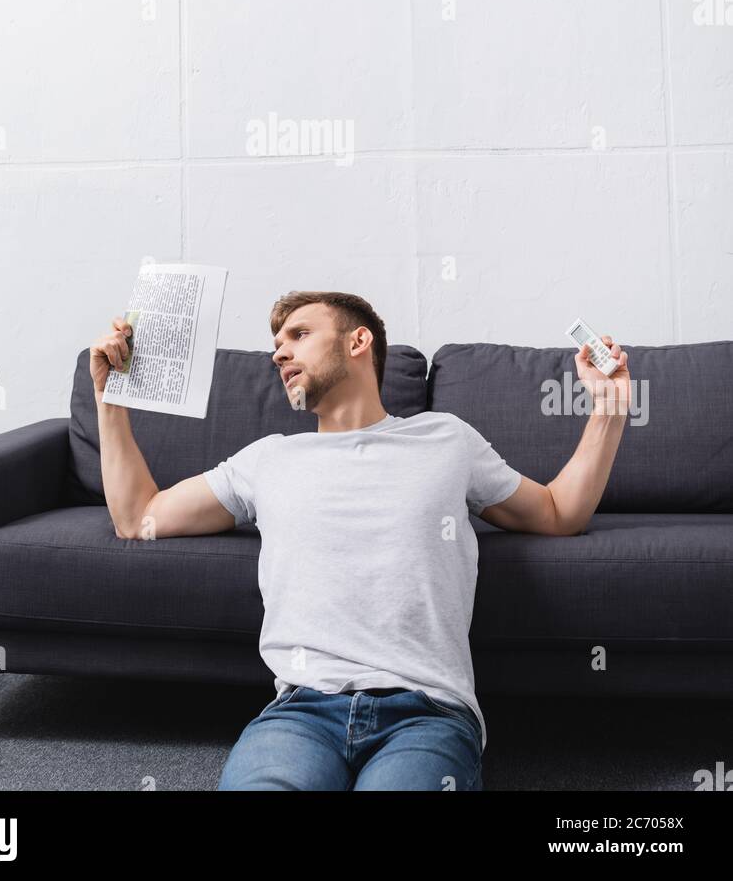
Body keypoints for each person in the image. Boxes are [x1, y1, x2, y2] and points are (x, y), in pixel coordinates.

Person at [90, 289, 631, 791]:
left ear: (358, 341)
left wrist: (607, 407)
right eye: (276, 345)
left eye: (298, 335)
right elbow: (138, 517)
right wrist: (110, 397)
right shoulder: (268, 459)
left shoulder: (446, 439)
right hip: (300, 711)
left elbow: (559, 513)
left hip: (427, 711)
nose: (279, 354)